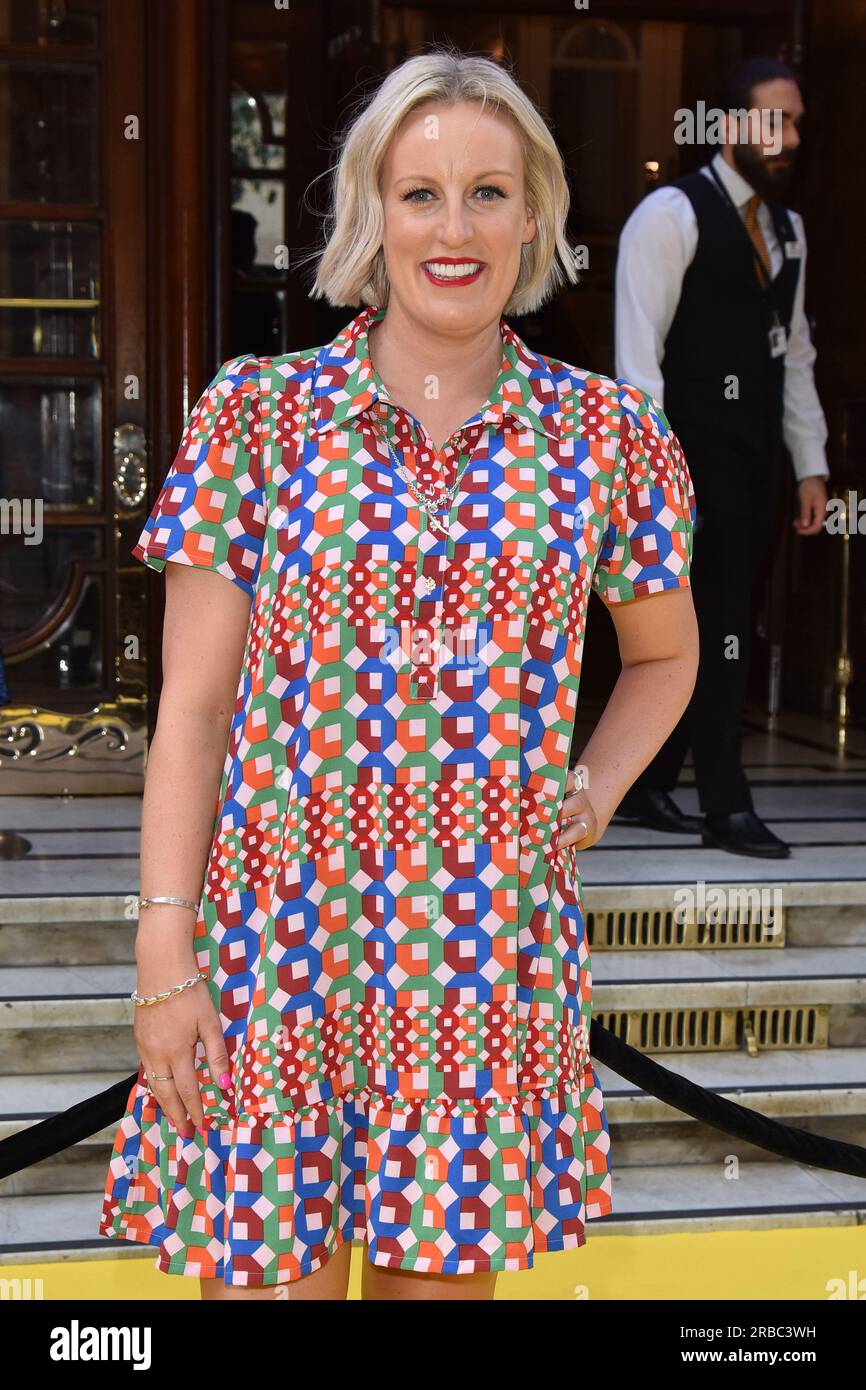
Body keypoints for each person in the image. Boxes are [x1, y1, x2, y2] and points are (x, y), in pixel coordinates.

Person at [99, 46, 698, 1301]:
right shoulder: (257, 418)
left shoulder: (606, 438)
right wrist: (166, 958)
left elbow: (662, 654)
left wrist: (589, 788)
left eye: (489, 191)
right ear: (370, 211)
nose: (455, 226)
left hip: (480, 959)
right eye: (419, 192)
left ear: (532, 212)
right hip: (277, 949)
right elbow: (193, 712)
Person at [614, 57, 829, 859]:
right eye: (777, 121)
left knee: (729, 621)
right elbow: (638, 366)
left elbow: (795, 353)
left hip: (755, 468)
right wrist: (656, 488)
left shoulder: (789, 230)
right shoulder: (669, 215)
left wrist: (810, 465)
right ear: (727, 124)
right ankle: (726, 805)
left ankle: (642, 785)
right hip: (687, 465)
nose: (792, 139)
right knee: (712, 627)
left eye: (798, 122)